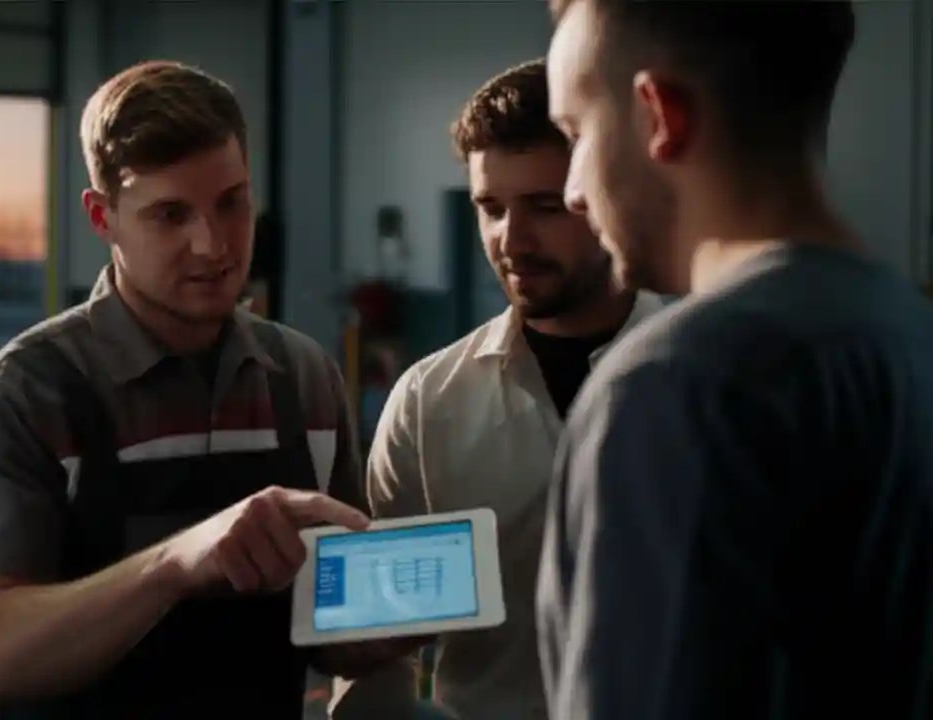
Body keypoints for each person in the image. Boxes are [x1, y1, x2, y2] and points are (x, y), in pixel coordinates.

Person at [0, 60, 376, 719]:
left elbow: (338, 635)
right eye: (170, 214)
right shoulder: (24, 395)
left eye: (231, 203)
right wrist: (174, 566)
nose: (212, 246)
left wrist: (408, 616)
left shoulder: (305, 378)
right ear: (102, 216)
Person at [538, 1, 933, 718]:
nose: (572, 192)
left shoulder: (679, 385)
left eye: (576, 133)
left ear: (660, 116)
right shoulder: (907, 334)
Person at [331, 59, 664, 720]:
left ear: (610, 193)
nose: (511, 239)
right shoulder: (429, 403)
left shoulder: (704, 379)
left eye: (544, 207)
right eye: (490, 208)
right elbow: (378, 645)